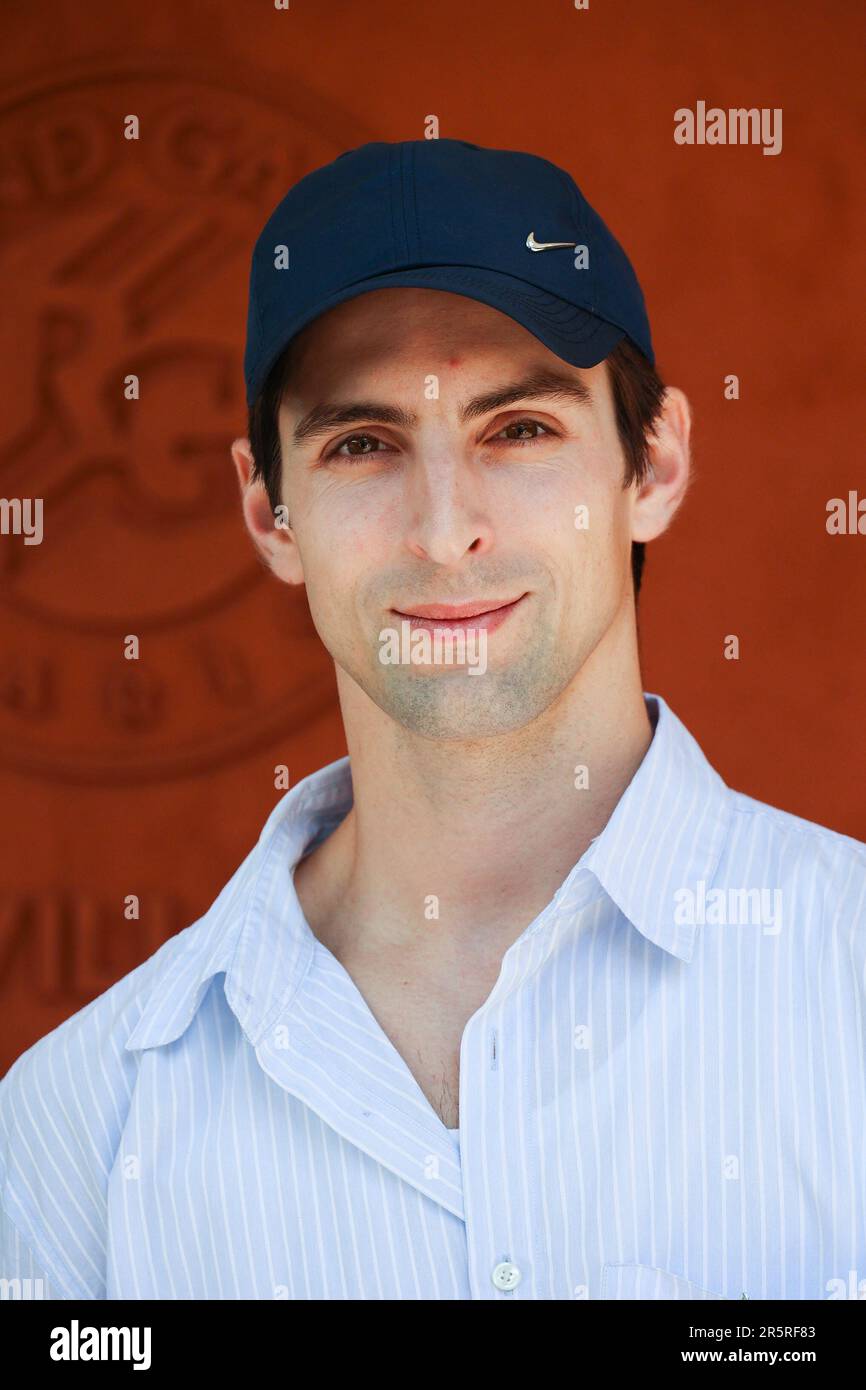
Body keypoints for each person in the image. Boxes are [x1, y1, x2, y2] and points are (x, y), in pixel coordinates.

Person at [1, 139, 864, 1302]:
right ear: (269, 513)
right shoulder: (75, 1133)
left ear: (651, 463)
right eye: (362, 445)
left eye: (518, 430)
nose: (444, 530)